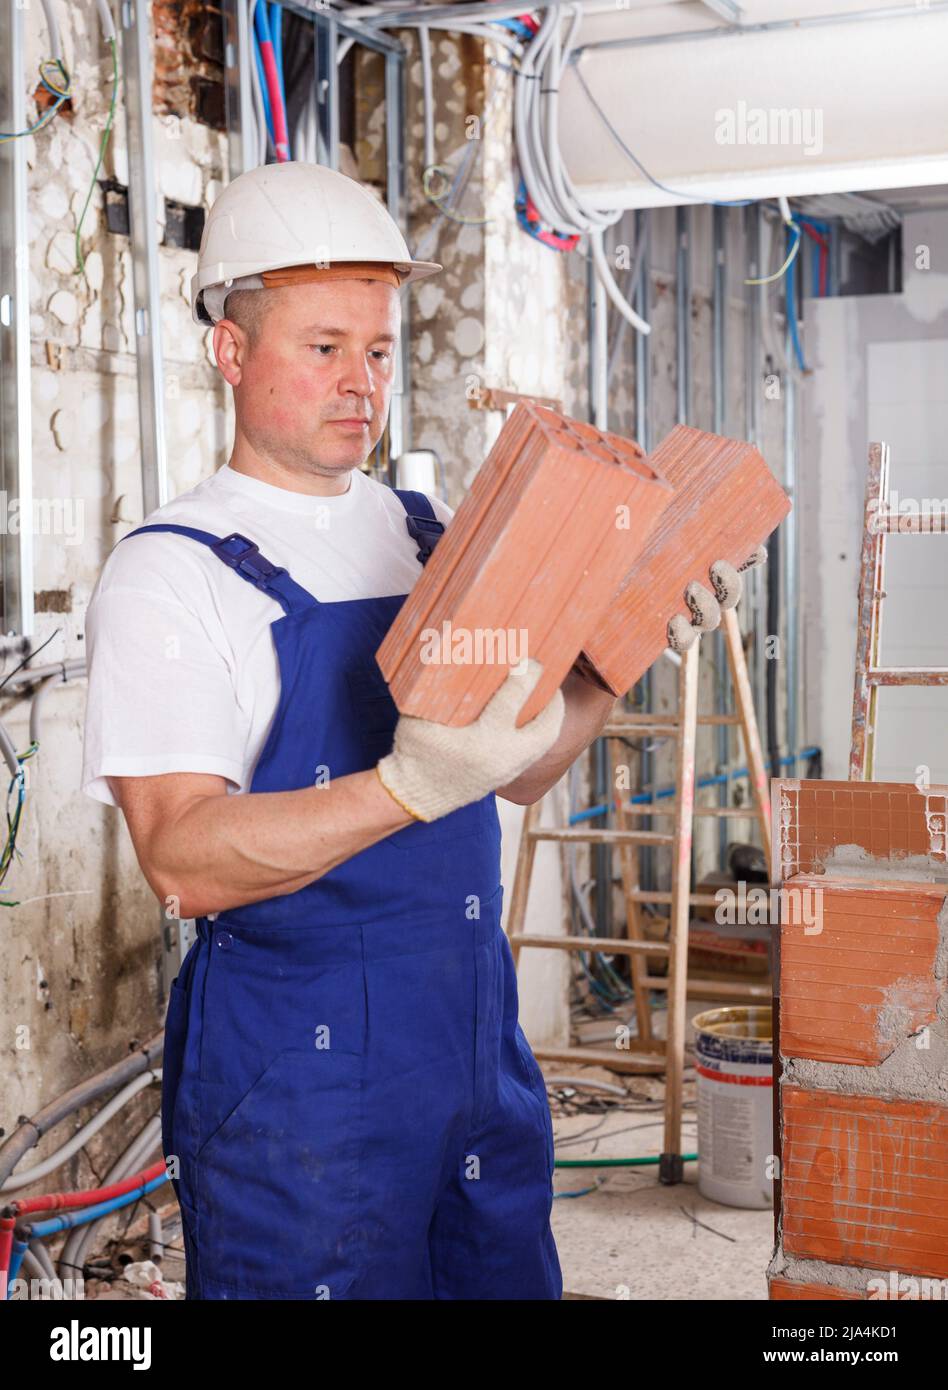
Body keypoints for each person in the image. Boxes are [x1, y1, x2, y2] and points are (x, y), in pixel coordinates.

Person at [81, 160, 620, 1300]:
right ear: (232, 352)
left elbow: (518, 778)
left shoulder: (431, 536)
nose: (359, 381)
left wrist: (615, 660)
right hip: (301, 1095)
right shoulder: (170, 574)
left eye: (377, 351)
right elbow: (181, 858)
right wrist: (405, 787)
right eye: (322, 348)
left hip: (476, 1057)